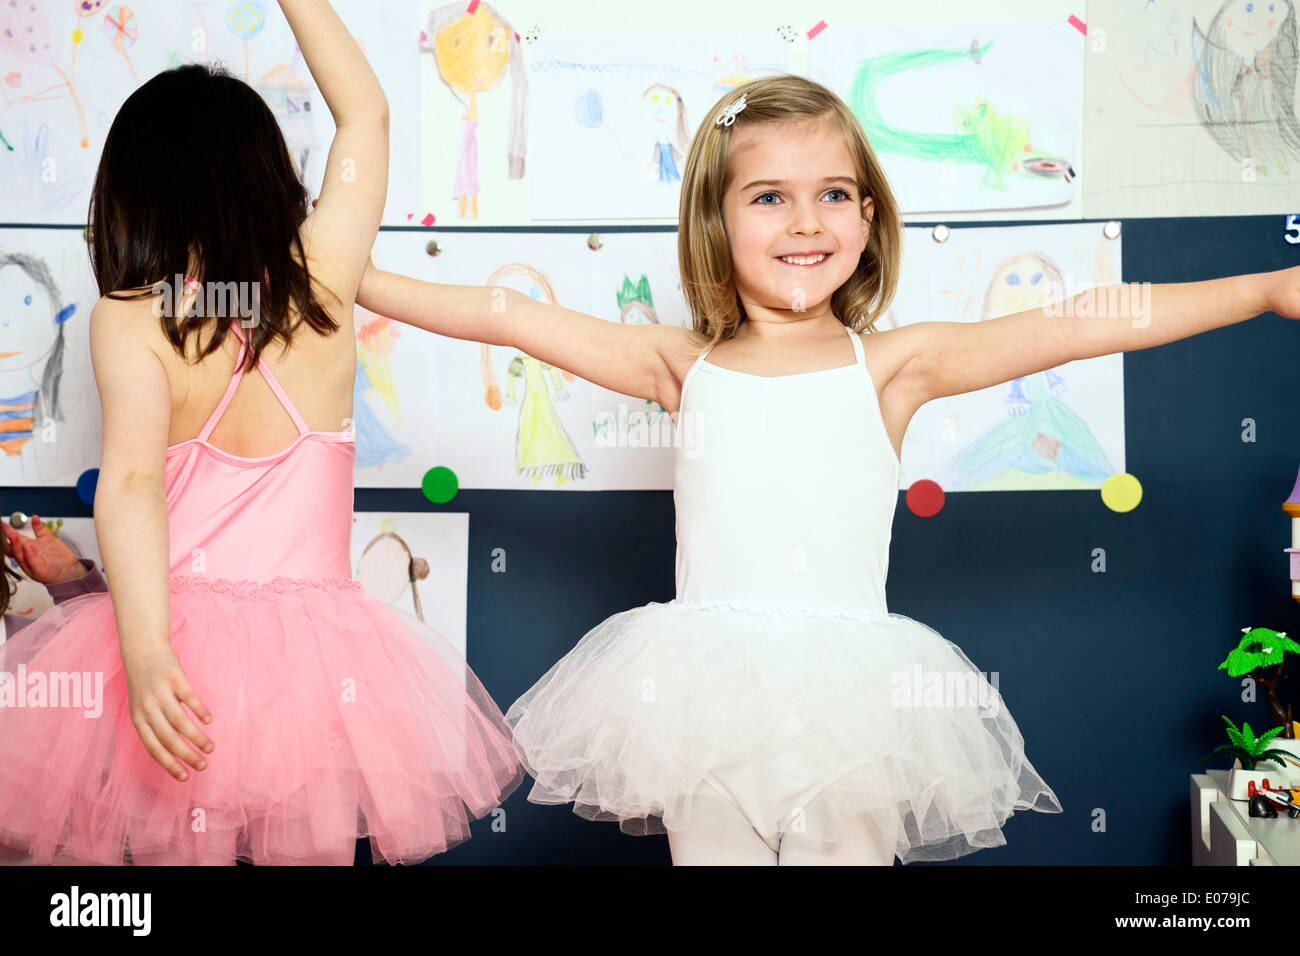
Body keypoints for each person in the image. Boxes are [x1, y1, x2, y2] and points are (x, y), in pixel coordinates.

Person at [364, 74, 1300, 865]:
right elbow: (501, 315)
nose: (806, 221)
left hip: (854, 703)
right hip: (703, 698)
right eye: (768, 196)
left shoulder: (894, 365)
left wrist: (1262, 288)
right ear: (715, 221)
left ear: (867, 215)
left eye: (835, 194)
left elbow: (1085, 319)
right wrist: (340, 277)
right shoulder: (677, 366)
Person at [0, 0, 522, 866]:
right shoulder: (324, 283)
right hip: (317, 666)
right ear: (266, 175)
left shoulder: (130, 317)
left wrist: (145, 648)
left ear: (134, 195)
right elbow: (366, 114)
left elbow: (129, 483)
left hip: (177, 646)